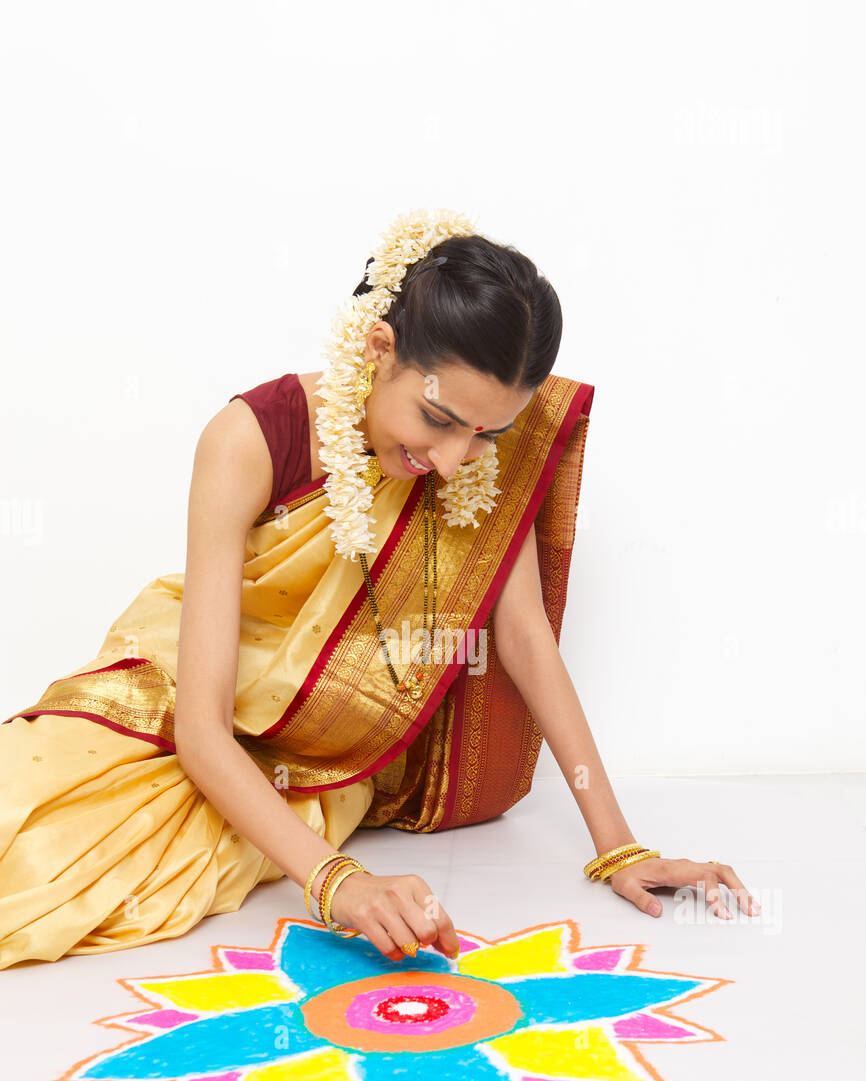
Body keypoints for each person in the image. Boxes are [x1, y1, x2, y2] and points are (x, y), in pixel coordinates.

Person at [0, 208, 760, 972]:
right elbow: (202, 731)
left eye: (486, 436)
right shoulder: (250, 439)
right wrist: (339, 885)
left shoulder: (474, 468)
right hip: (175, 703)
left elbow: (525, 639)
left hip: (326, 759)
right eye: (439, 419)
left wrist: (618, 847)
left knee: (138, 875)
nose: (457, 461)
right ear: (379, 347)